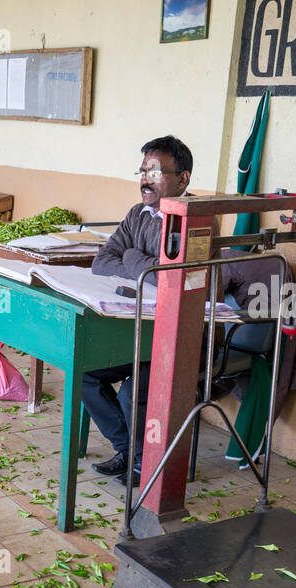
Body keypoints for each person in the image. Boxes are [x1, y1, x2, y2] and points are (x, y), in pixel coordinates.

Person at [84, 135, 193, 487]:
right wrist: (144, 265)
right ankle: (128, 450)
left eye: (155, 171)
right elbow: (102, 262)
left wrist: (130, 258)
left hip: (176, 339)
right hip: (139, 332)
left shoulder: (192, 220)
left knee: (133, 392)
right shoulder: (138, 214)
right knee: (85, 372)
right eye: (142, 171)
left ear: (183, 179)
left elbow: (172, 280)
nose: (145, 179)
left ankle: (144, 465)